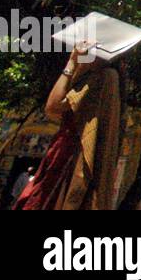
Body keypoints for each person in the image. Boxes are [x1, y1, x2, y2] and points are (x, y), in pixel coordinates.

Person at [14, 40, 124, 210]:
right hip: (66, 150)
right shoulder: (108, 78)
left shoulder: (100, 77)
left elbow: (53, 107)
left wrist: (71, 63)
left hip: (71, 154)